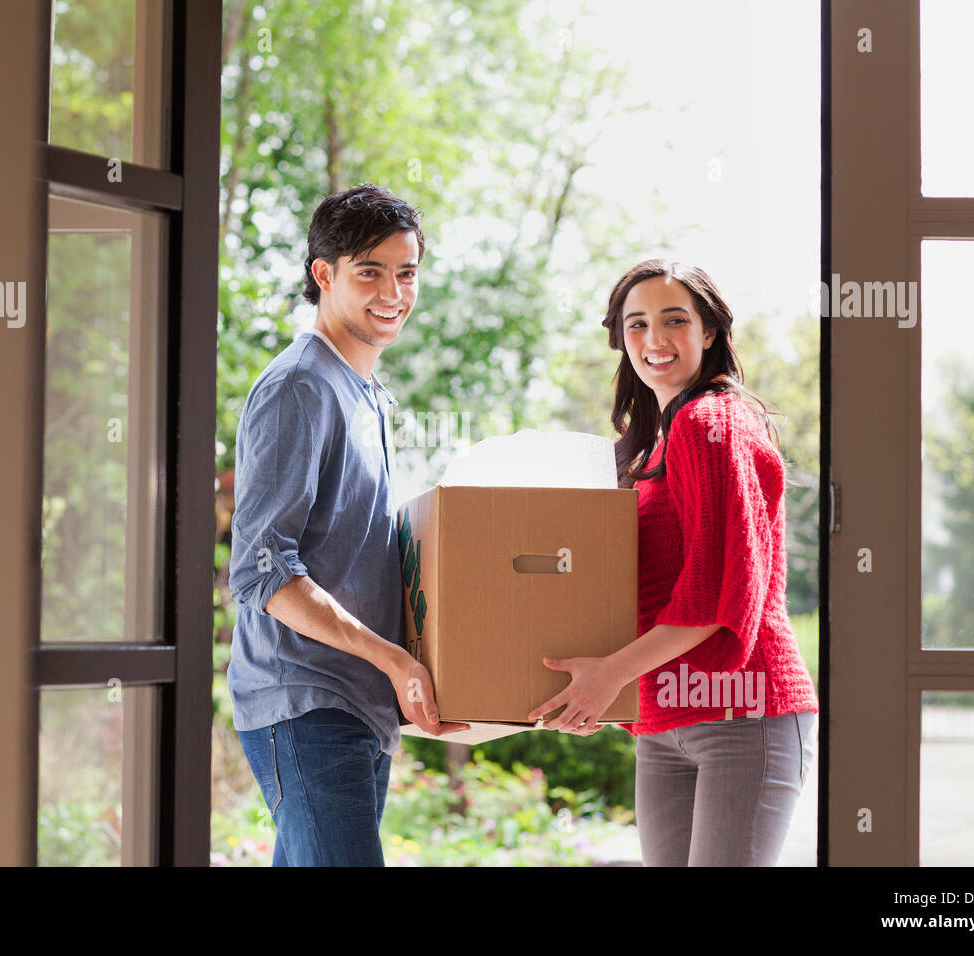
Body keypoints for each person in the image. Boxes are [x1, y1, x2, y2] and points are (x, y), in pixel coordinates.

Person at [527, 258, 819, 866]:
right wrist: (603, 683)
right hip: (665, 715)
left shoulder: (711, 420)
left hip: (744, 708)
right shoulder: (652, 442)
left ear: (708, 331)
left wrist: (609, 674)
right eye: (636, 325)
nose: (654, 340)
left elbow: (716, 588)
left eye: (674, 320)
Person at [227, 183, 468, 867]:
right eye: (370, 271)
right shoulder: (300, 386)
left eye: (406, 271)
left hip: (357, 706)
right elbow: (262, 570)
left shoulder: (366, 394)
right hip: (306, 700)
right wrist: (394, 658)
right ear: (323, 274)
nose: (393, 291)